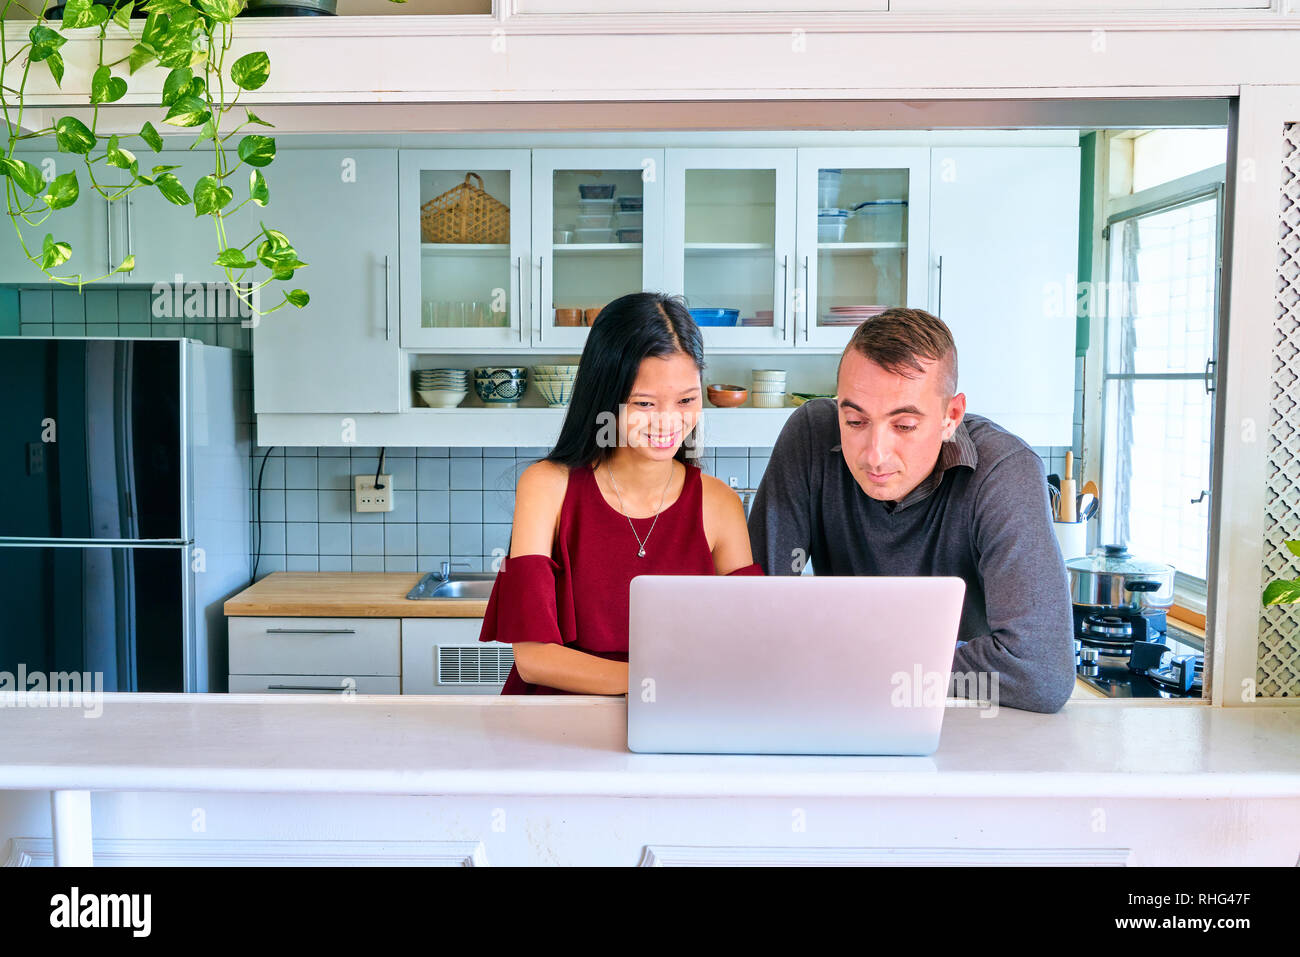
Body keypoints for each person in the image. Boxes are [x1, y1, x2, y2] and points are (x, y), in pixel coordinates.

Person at [747, 307, 1076, 713]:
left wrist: (855, 659)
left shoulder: (1004, 471)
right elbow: (756, 614)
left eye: (903, 426)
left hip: (965, 722)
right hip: (844, 711)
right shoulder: (812, 436)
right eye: (854, 420)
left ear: (950, 417)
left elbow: (1040, 672)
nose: (875, 454)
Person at [479, 292, 763, 695]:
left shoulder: (720, 503)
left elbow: (746, 643)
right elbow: (534, 658)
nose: (668, 421)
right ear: (604, 398)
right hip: (555, 726)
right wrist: (659, 685)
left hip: (674, 722)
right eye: (644, 403)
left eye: (686, 400)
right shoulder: (547, 486)